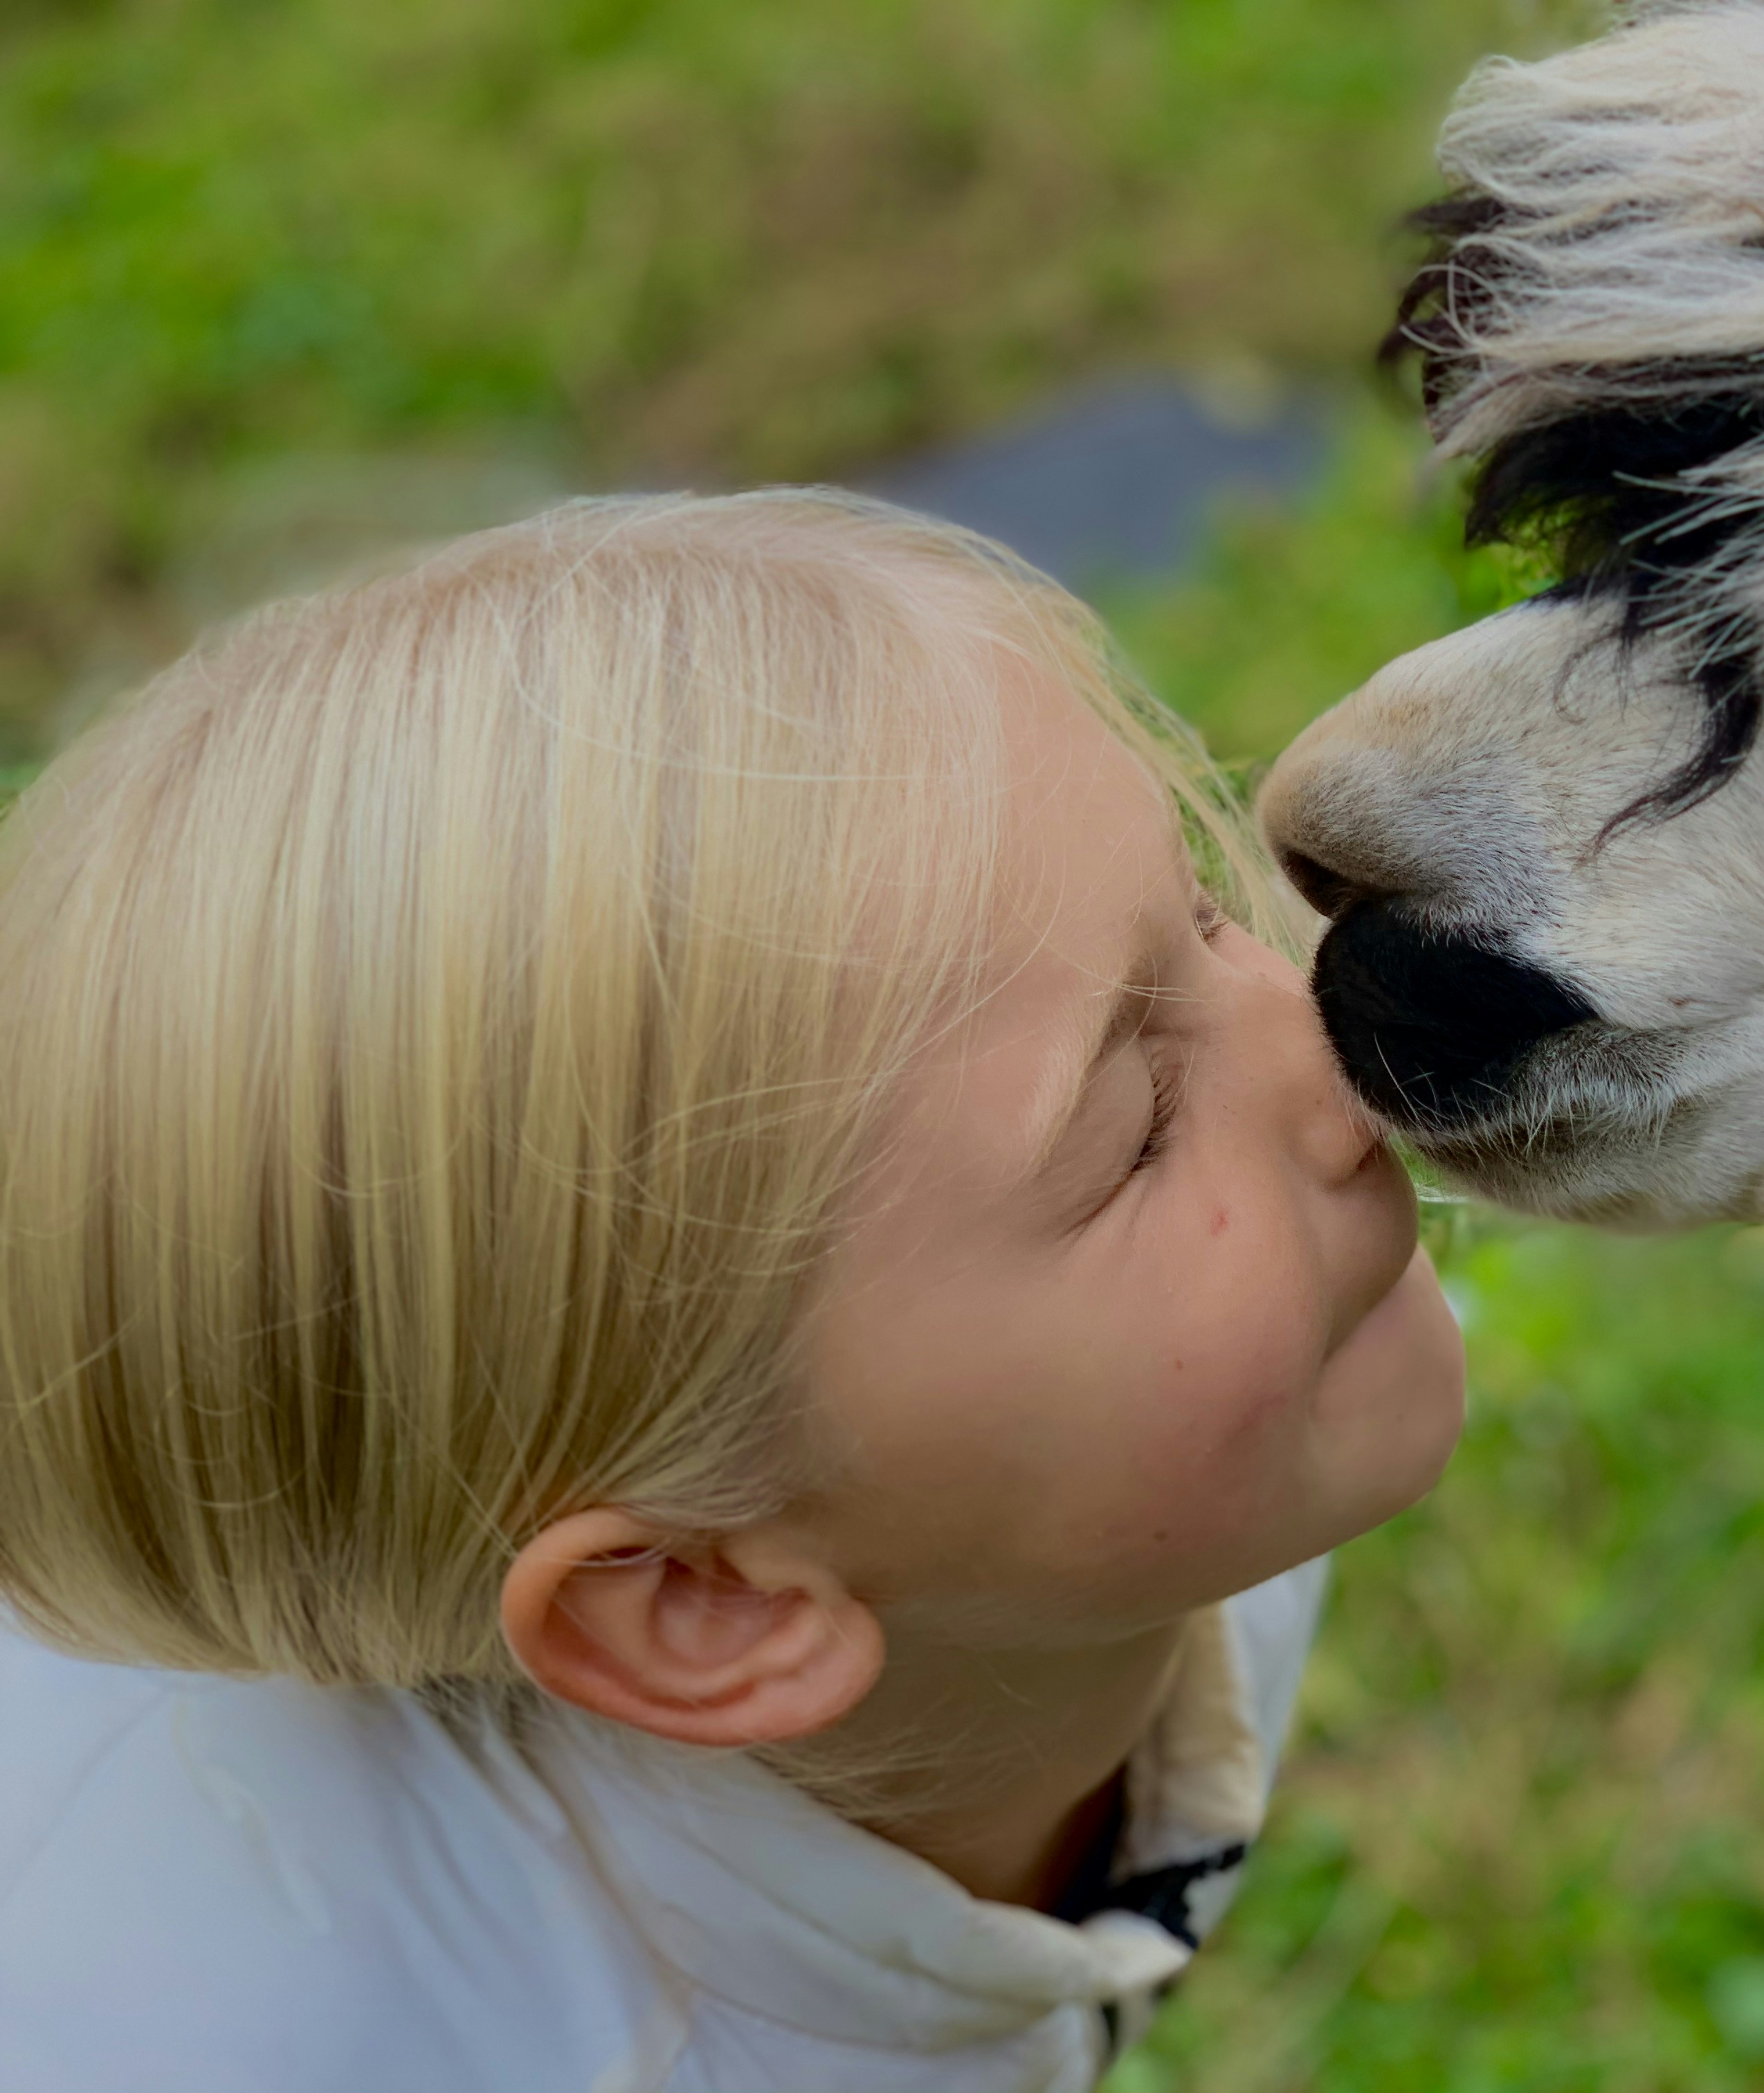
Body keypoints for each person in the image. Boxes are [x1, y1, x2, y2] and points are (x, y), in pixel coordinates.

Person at [0, 491, 1465, 2091]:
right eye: (1135, 1135)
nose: (1321, 1040)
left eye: (1196, 910)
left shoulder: (1176, 1490)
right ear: (710, 1604)